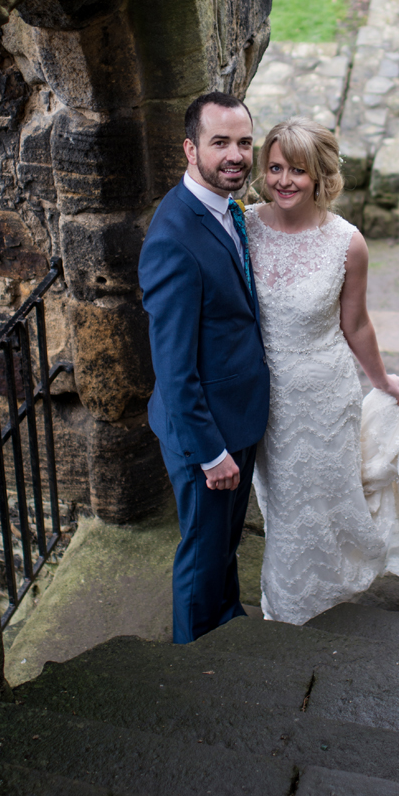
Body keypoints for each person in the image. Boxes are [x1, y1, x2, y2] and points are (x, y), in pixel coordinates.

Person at [246, 117, 399, 626]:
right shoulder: (242, 226)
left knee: (326, 497)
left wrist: (382, 382)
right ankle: (291, 598)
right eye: (275, 168)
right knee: (287, 503)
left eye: (297, 171)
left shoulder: (347, 243)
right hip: (267, 394)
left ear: (320, 177)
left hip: (327, 393)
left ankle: (313, 593)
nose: (284, 181)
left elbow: (355, 323)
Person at [138, 91, 269, 644]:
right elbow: (172, 367)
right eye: (220, 143)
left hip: (236, 417)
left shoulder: (224, 208)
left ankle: (227, 619)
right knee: (202, 546)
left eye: (244, 142)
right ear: (190, 149)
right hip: (205, 432)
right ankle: (192, 653)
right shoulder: (173, 237)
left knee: (224, 541)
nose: (236, 154)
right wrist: (211, 451)